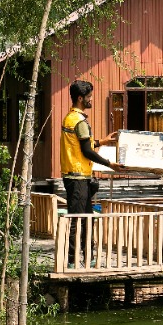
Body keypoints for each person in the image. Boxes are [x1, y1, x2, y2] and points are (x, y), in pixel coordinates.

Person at [60, 80, 124, 267]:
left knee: (86, 218)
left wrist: (101, 142)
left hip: (76, 175)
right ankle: (73, 260)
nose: (91, 100)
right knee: (77, 219)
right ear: (80, 98)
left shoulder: (70, 118)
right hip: (77, 175)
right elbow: (86, 151)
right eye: (89, 97)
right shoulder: (79, 121)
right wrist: (109, 164)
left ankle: (88, 256)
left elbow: (82, 145)